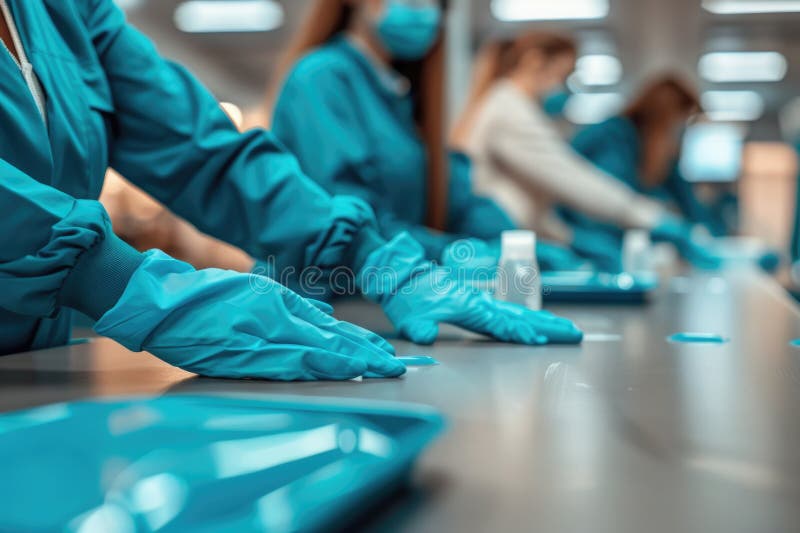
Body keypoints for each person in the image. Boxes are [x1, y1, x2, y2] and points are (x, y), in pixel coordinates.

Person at [0, 0, 582, 382]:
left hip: (37, 366)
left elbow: (206, 152)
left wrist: (375, 256)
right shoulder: (325, 78)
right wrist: (117, 278)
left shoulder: (65, 9)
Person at [268, 0, 588, 272]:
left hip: (386, 291)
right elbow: (350, 219)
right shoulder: (320, 79)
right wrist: (450, 252)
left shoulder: (399, 98)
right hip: (331, 300)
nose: (427, 9)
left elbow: (454, 197)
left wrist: (516, 244)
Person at [452, 32, 720, 271]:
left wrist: (568, 239)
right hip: (494, 240)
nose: (566, 89)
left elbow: (535, 201)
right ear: (534, 62)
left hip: (512, 239)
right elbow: (570, 179)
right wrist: (652, 218)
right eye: (564, 76)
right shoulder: (508, 110)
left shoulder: (515, 108)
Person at [565, 76, 728, 242]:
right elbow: (608, 198)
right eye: (680, 122)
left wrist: (716, 237)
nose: (680, 132)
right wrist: (660, 224)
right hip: (582, 234)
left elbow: (687, 200)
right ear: (664, 119)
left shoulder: (658, 153)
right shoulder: (613, 137)